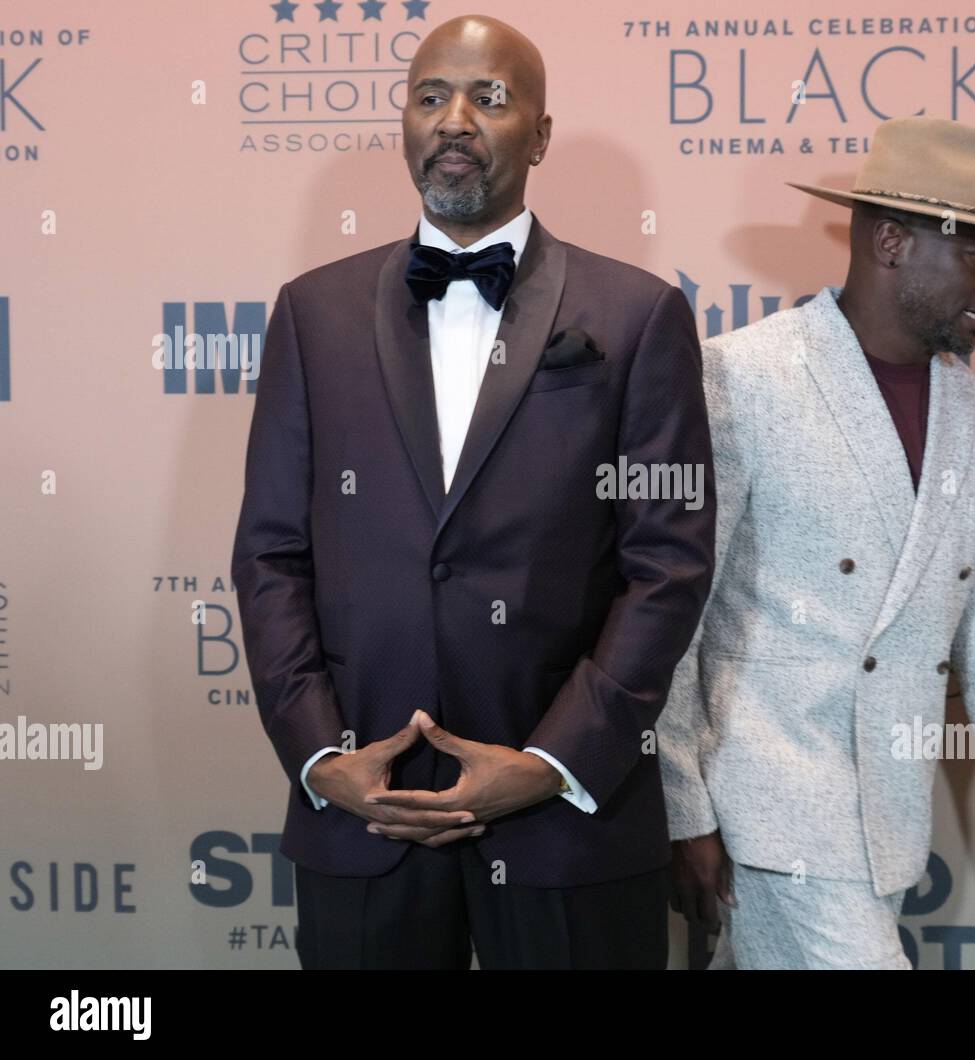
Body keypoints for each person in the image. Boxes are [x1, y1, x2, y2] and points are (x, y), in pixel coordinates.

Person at [232, 14, 714, 970]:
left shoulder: (639, 315)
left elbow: (667, 565)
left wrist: (551, 762)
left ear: (539, 135)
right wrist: (326, 761)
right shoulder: (310, 313)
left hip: (569, 825)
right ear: (404, 125)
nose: (456, 118)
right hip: (369, 820)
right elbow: (271, 553)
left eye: (490, 97)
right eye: (430, 96)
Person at [659, 116, 975, 969]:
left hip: (888, 825)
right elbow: (674, 608)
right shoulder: (742, 377)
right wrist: (683, 807)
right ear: (894, 243)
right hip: (769, 811)